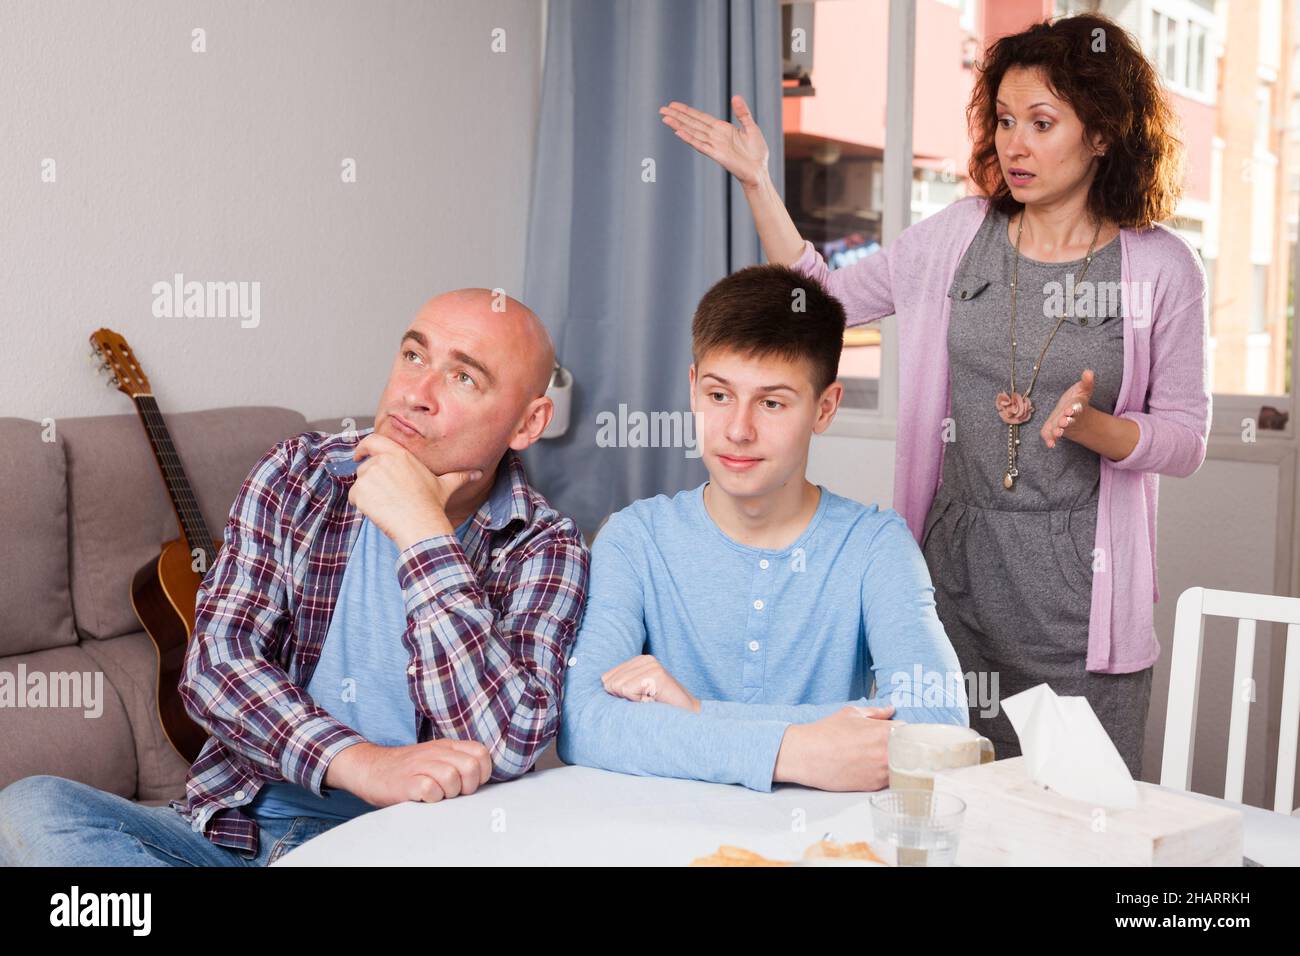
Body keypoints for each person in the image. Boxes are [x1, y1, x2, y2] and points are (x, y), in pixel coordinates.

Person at [660, 12, 1210, 778]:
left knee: (1085, 820)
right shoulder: (960, 236)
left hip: (1081, 600)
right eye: (1006, 120)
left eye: (1042, 123)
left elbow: (1185, 436)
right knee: (948, 806)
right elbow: (824, 301)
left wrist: (1097, 429)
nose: (1015, 144)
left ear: (1103, 135)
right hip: (952, 579)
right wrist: (759, 180)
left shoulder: (1161, 268)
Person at [0, 289, 590, 866]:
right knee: (31, 810)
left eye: (464, 378)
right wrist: (361, 763)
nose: (416, 394)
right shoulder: (300, 473)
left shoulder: (545, 544)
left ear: (528, 422)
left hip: (409, 846)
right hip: (238, 834)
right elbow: (214, 666)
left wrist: (422, 534)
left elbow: (510, 741)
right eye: (413, 356)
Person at [557, 264, 967, 793]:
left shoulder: (875, 545)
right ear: (692, 388)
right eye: (719, 395)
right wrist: (794, 751)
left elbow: (936, 724)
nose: (737, 430)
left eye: (772, 403)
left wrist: (695, 712)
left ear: (825, 408)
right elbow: (580, 723)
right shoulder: (634, 538)